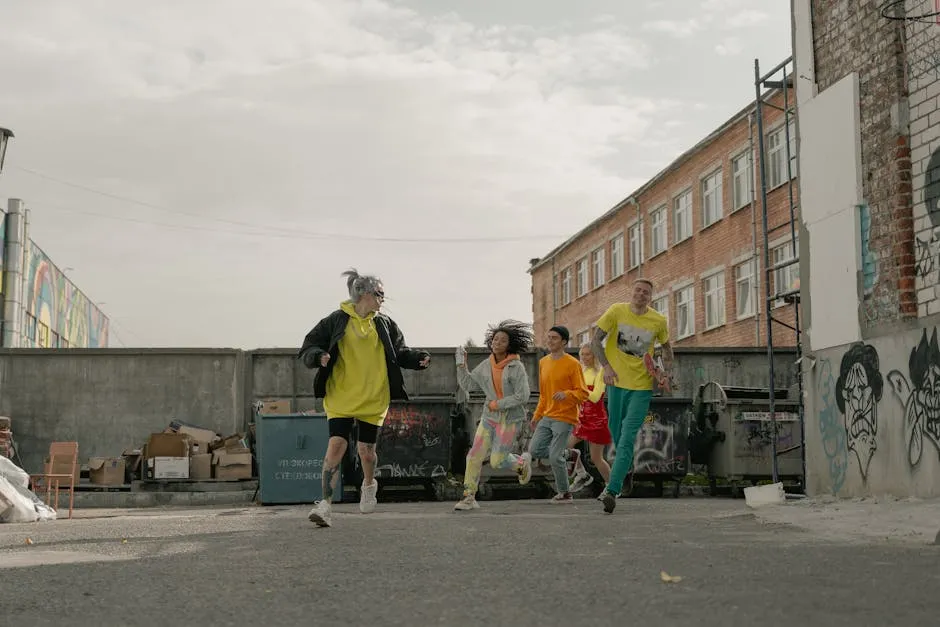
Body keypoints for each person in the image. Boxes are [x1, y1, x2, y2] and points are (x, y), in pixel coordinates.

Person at [298, 269, 431, 527]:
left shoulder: (384, 324)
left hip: (374, 396)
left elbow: (400, 352)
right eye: (380, 294)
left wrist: (418, 359)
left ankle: (369, 484)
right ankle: (325, 504)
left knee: (366, 452)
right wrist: (318, 356)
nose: (384, 299)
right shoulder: (335, 320)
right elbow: (308, 346)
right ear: (365, 294)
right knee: (336, 445)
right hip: (341, 395)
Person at [592, 277, 674, 514]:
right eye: (637, 290)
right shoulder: (616, 311)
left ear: (651, 297)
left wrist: (666, 374)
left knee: (627, 436)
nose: (641, 294)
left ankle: (612, 490)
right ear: (632, 293)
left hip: (641, 387)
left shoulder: (658, 321)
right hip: (616, 383)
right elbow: (596, 340)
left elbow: (667, 348)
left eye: (645, 292)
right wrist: (606, 367)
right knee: (617, 435)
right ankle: (623, 470)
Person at [453, 320, 536, 511]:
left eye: (502, 340)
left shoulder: (517, 367)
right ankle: (468, 496)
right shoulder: (486, 365)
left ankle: (522, 463)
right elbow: (469, 385)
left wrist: (497, 404)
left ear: (510, 345)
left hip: (509, 420)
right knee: (474, 455)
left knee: (497, 461)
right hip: (489, 418)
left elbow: (523, 396)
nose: (497, 342)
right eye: (495, 339)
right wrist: (460, 365)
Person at [528, 325, 590, 503]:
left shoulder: (573, 364)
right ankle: (570, 455)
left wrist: (567, 394)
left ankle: (565, 493)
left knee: (555, 456)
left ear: (564, 342)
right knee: (535, 449)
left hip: (565, 416)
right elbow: (544, 394)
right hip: (547, 415)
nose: (550, 340)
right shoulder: (543, 362)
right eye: (549, 337)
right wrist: (537, 415)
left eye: (554, 338)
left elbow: (583, 393)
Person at [565, 342, 612, 495]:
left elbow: (596, 396)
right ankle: (582, 475)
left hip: (596, 419)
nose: (584, 357)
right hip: (582, 418)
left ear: (595, 356)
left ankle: (612, 486)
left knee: (596, 458)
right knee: (567, 446)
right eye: (582, 354)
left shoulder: (601, 372)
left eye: (588, 354)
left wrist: (579, 390)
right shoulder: (581, 371)